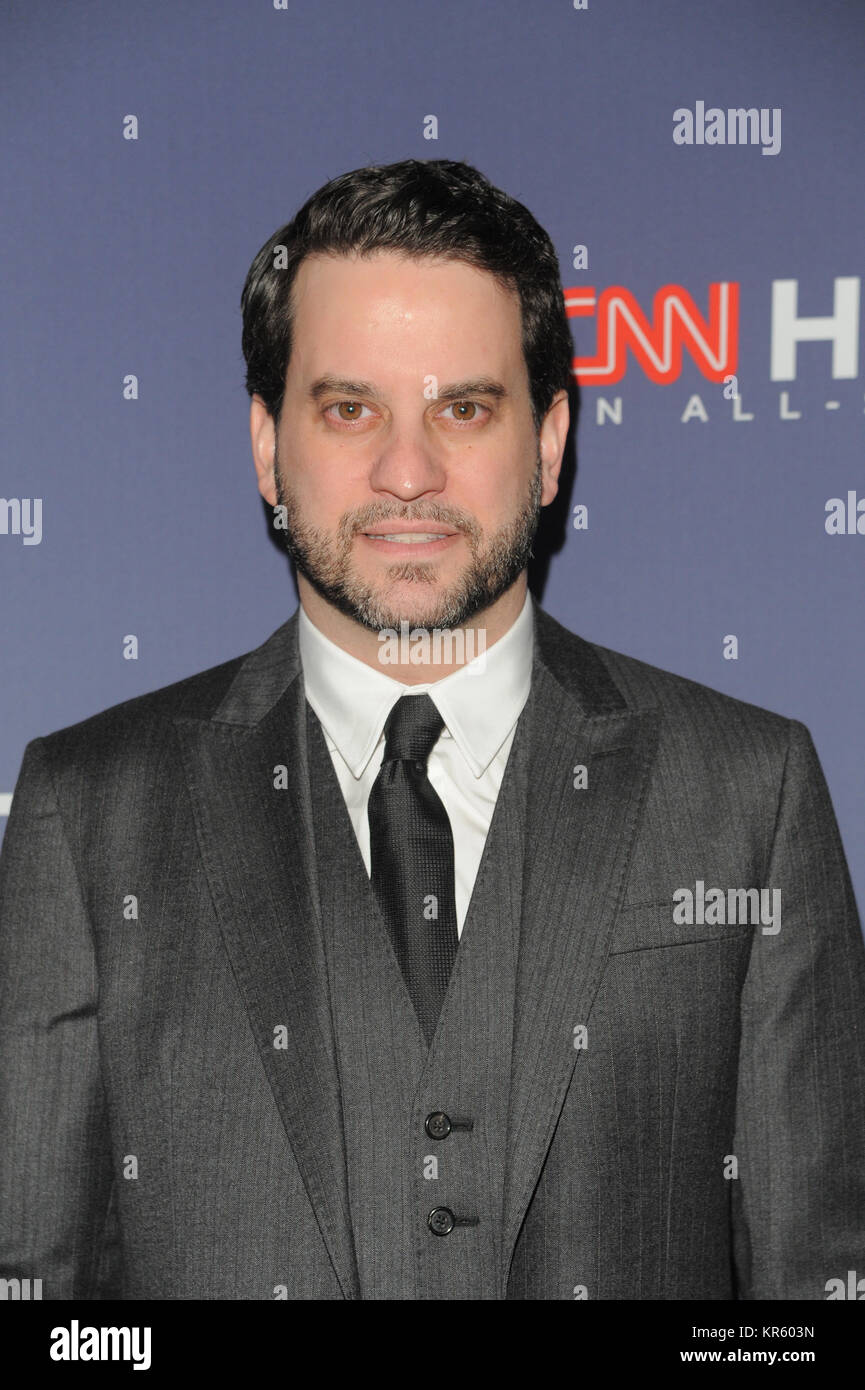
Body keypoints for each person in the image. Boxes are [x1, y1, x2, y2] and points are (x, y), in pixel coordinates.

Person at [1, 158, 863, 1301]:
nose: (407, 473)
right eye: (350, 408)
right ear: (266, 445)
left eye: (464, 407)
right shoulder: (86, 810)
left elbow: (816, 1294)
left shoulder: (751, 792)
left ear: (550, 444)